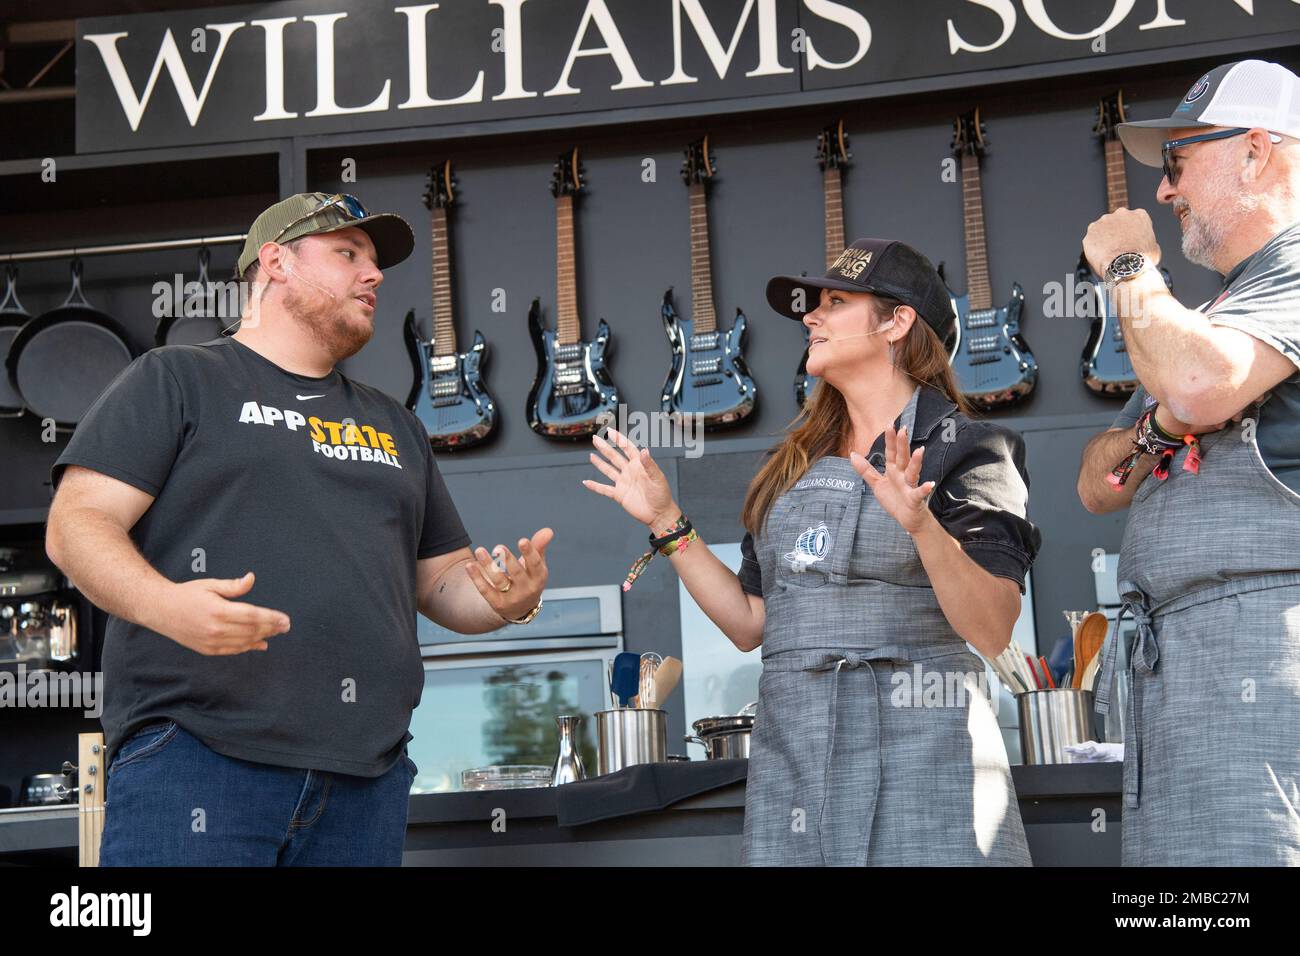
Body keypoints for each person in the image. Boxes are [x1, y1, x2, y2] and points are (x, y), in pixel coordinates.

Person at [44, 192, 551, 866]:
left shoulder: (396, 424)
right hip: (199, 758)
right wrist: (164, 606)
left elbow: (444, 583)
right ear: (276, 263)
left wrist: (506, 601)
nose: (372, 275)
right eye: (348, 254)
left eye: (375, 263)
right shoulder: (177, 378)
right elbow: (76, 526)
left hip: (366, 779)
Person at [585, 238, 1041, 865]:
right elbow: (751, 624)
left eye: (835, 302)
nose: (810, 317)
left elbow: (993, 629)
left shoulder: (970, 447)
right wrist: (667, 521)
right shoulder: (790, 466)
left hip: (931, 760)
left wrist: (921, 527)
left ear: (897, 322)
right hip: (798, 762)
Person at [1076, 60, 1300, 865]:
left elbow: (1202, 384)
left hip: (1267, 654)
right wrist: (1164, 420)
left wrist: (1133, 269)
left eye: (1176, 161)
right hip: (1177, 670)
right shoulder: (1204, 314)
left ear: (1255, 151)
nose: (1163, 193)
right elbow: (1098, 483)